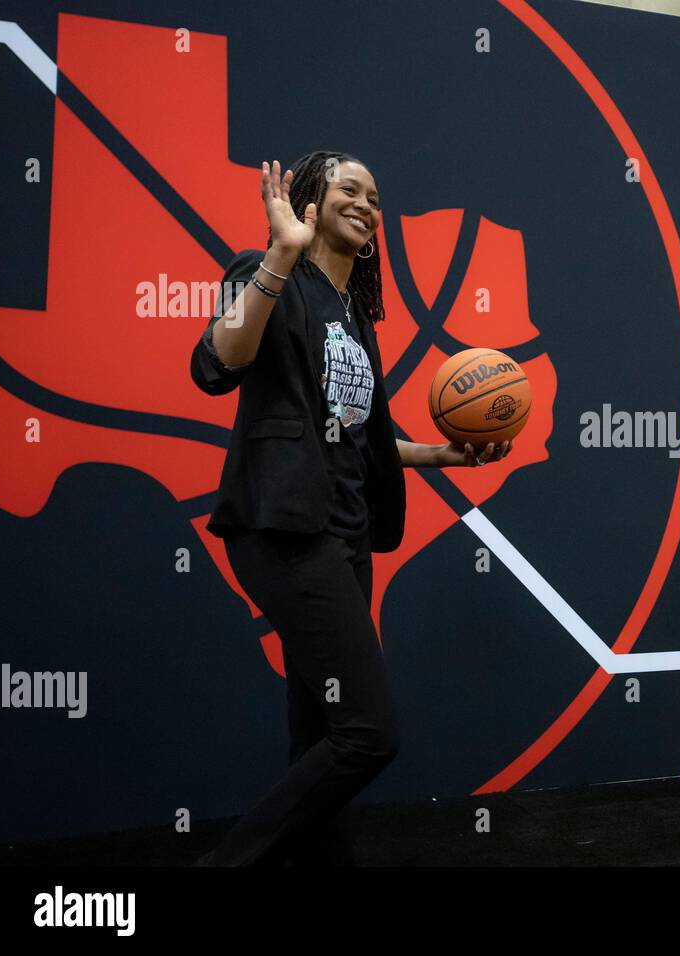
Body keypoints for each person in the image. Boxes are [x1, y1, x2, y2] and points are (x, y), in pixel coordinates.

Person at [189, 151, 511, 866]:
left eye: (376, 196)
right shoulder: (264, 271)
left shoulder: (356, 316)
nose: (367, 202)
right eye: (350, 188)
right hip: (283, 530)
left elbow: (357, 433)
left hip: (346, 535)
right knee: (369, 733)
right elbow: (219, 360)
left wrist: (442, 454)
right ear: (308, 197)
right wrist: (280, 253)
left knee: (319, 730)